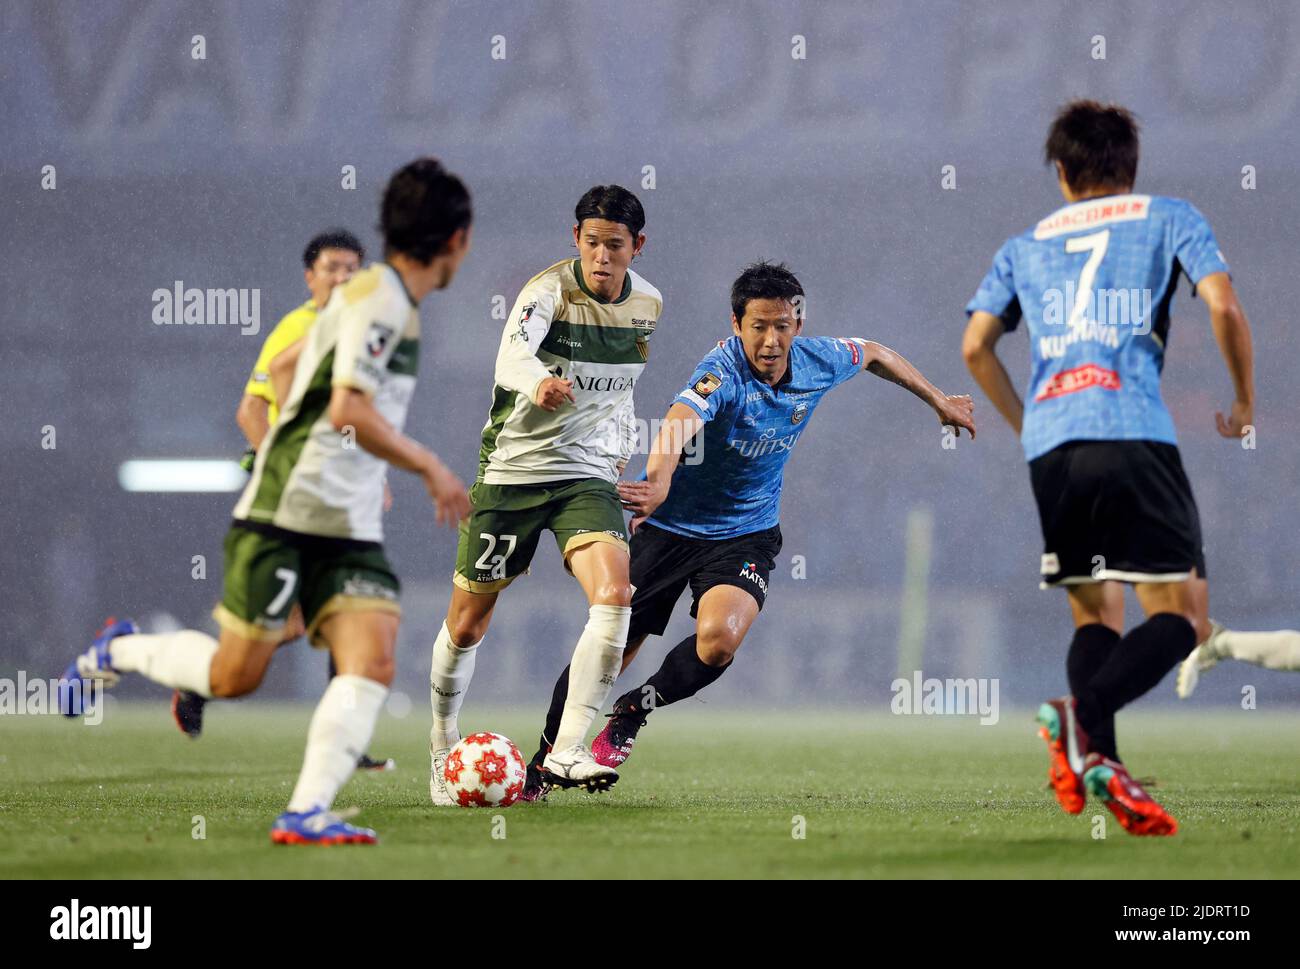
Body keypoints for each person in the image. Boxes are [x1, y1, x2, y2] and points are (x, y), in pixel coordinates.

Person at [59, 158, 474, 844]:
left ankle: (305, 809)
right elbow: (347, 405)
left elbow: (286, 371)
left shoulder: (365, 295)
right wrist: (430, 464)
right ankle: (123, 648)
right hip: (284, 513)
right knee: (234, 673)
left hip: (347, 524)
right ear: (457, 239)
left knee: (372, 654)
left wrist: (311, 432)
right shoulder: (384, 304)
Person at [521, 260, 975, 799]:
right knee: (610, 650)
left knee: (718, 642)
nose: (770, 339)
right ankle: (542, 765)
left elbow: (875, 352)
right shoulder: (721, 369)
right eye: (758, 326)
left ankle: (633, 710)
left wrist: (940, 400)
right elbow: (678, 421)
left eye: (782, 325)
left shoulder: (820, 359)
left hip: (747, 532)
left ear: (797, 325)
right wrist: (659, 479)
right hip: (670, 528)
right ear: (737, 325)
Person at [961, 100, 1255, 836]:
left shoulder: (1024, 243)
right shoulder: (1168, 215)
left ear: (1061, 173)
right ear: (1132, 169)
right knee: (1185, 615)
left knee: (1096, 612)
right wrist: (1244, 398)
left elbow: (974, 346)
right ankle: (1081, 716)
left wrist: (1030, 426)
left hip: (1054, 446)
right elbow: (1223, 304)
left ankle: (1104, 762)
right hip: (1131, 431)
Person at [428, 185, 660, 803]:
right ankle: (441, 740)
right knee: (468, 624)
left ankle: (567, 751)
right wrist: (539, 385)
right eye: (591, 242)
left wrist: (617, 450)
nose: (602, 256)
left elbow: (621, 388)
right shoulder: (546, 293)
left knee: (615, 596)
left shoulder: (649, 306)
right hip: (514, 475)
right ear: (575, 240)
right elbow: (510, 358)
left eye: (615, 244)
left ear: (637, 247)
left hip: (585, 478)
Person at [173, 231, 392, 771]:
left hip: (336, 497)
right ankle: (195, 676)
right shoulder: (298, 329)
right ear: (309, 276)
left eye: (352, 270)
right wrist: (288, 470)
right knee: (315, 614)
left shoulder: (359, 332)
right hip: (293, 503)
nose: (343, 278)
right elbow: (250, 410)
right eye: (332, 268)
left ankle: (340, 737)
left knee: (327, 612)